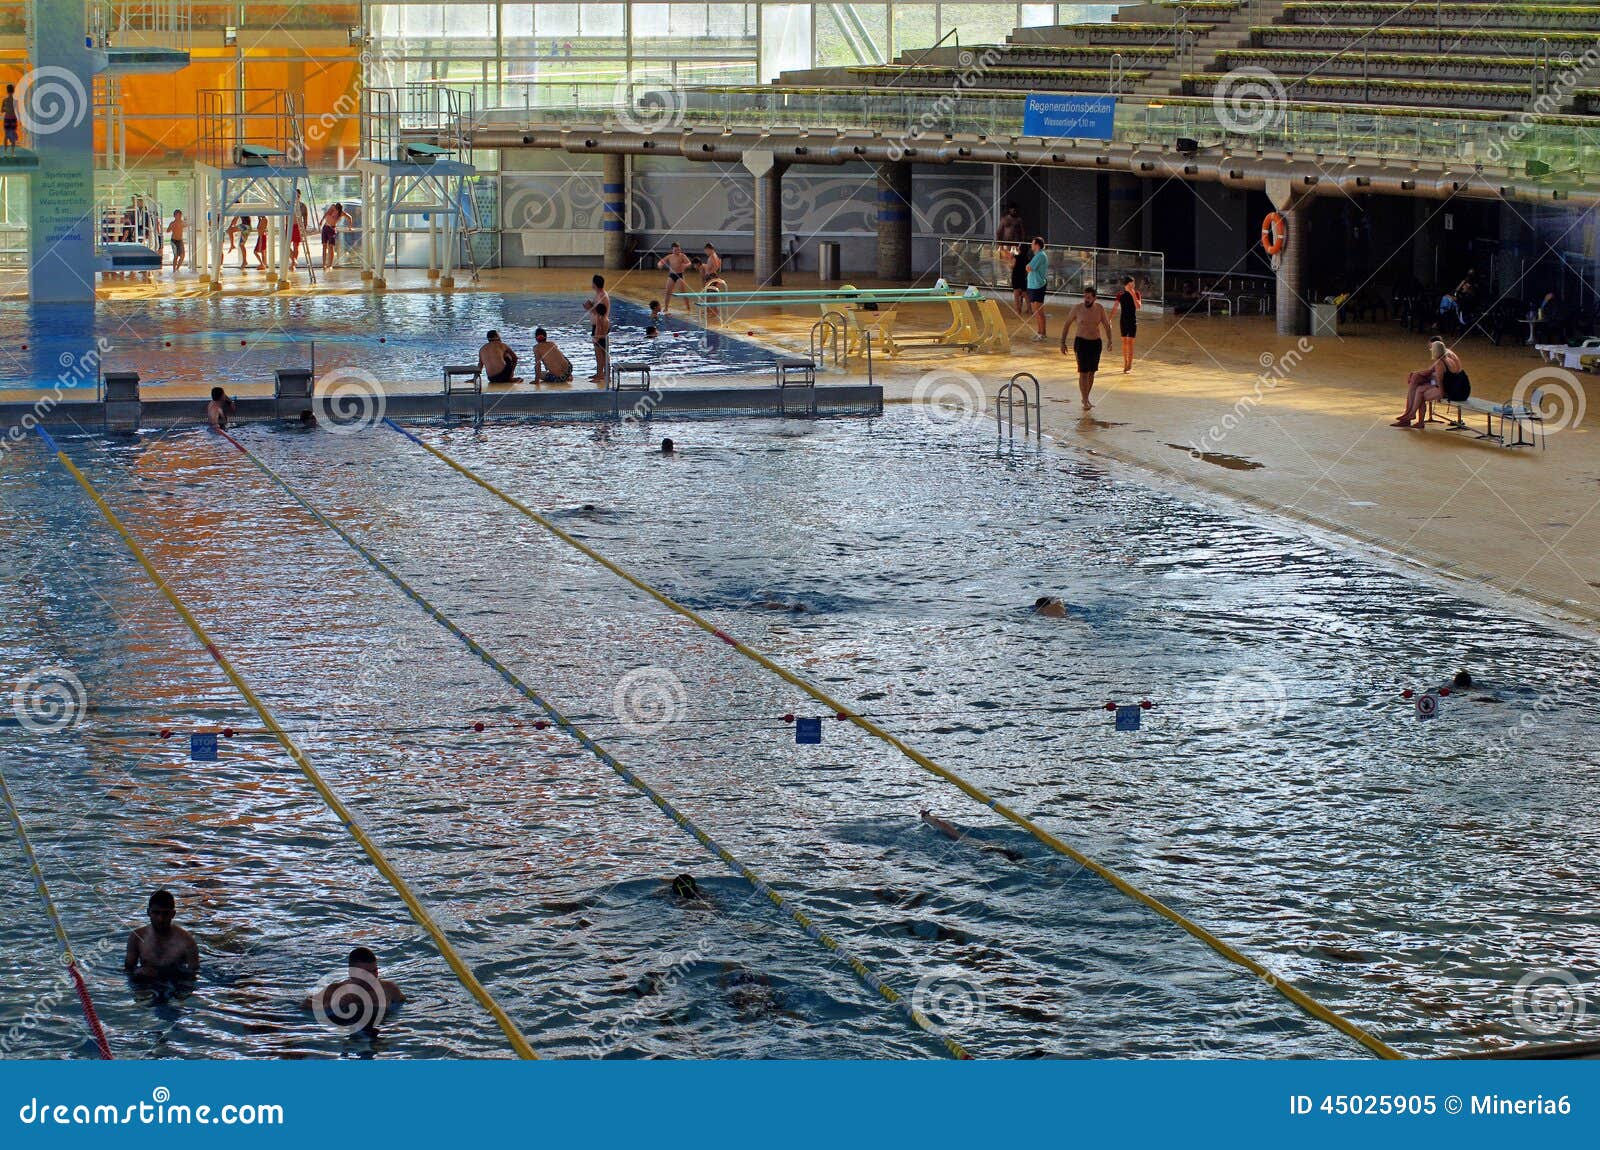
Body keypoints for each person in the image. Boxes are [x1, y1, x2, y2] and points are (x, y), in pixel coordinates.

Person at [303, 947, 404, 1028]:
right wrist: (331, 1004)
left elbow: (405, 1004)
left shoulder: (389, 989)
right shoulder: (337, 990)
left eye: (374, 970)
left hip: (381, 1027)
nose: (372, 976)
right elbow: (306, 1004)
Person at [124, 890, 199, 983]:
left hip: (175, 982)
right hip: (146, 981)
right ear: (148, 912)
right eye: (156, 913)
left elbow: (193, 974)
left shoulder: (186, 941)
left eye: (165, 913)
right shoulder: (137, 937)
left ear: (173, 914)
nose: (160, 919)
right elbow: (128, 969)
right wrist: (137, 971)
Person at [1060, 284, 1114, 409]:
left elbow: (1106, 325)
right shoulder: (1077, 309)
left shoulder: (1099, 309)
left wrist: (1110, 340)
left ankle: (1087, 397)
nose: (1086, 299)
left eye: (1089, 297)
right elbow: (1067, 324)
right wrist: (1062, 342)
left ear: (1094, 298)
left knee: (1092, 373)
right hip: (1081, 343)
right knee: (1083, 372)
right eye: (1085, 297)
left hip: (1095, 343)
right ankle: (1084, 400)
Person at [1393, 340, 1468, 428]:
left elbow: (1440, 380)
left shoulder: (1440, 362)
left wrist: (1441, 394)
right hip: (1453, 387)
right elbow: (1432, 373)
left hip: (1450, 391)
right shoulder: (1446, 359)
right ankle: (1414, 418)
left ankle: (1413, 415)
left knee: (1420, 394)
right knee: (1419, 389)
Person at [1111, 276, 1141, 373]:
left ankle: (1130, 365)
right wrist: (1109, 319)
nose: (1134, 285)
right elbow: (1115, 307)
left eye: (1134, 283)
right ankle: (1125, 363)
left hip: (1132, 320)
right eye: (1132, 283)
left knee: (1130, 343)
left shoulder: (1136, 293)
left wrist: (1132, 293)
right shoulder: (1120, 294)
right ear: (1127, 284)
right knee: (1124, 342)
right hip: (1123, 320)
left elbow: (1138, 306)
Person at [657, 242, 692, 314]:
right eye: (675, 250)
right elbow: (661, 261)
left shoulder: (682, 256)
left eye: (678, 249)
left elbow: (689, 263)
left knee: (683, 292)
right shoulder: (670, 256)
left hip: (680, 275)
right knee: (668, 292)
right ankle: (666, 308)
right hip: (671, 275)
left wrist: (685, 265)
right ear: (672, 250)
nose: (677, 251)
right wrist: (660, 264)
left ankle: (688, 309)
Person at [1025, 237, 1049, 340]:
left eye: (1033, 243)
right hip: (1034, 285)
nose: (1031, 245)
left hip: (1037, 285)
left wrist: (1028, 266)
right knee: (1037, 311)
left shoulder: (1040, 255)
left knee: (1039, 311)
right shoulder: (1038, 255)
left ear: (1037, 245)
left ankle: (1042, 333)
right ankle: (1040, 332)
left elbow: (1029, 267)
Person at [319, 203, 345, 270]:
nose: (336, 211)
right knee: (324, 246)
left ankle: (330, 264)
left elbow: (349, 217)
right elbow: (326, 213)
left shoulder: (341, 213)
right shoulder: (332, 207)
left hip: (332, 229)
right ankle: (324, 264)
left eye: (337, 210)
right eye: (335, 209)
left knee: (331, 247)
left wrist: (350, 226)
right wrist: (321, 220)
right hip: (325, 227)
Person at [590, 302, 611, 383]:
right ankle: (607, 377)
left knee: (599, 360)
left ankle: (599, 377)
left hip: (599, 340)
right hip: (605, 340)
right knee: (605, 360)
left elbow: (598, 330)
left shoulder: (600, 319)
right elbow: (605, 332)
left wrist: (595, 339)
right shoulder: (607, 319)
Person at [2, 83, 17, 151]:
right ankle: (13, 153)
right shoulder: (15, 101)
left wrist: (6, 109)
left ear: (7, 91)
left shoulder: (4, 100)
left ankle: (5, 151)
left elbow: (2, 110)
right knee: (13, 134)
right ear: (13, 91)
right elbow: (17, 111)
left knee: (6, 135)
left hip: (7, 118)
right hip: (13, 118)